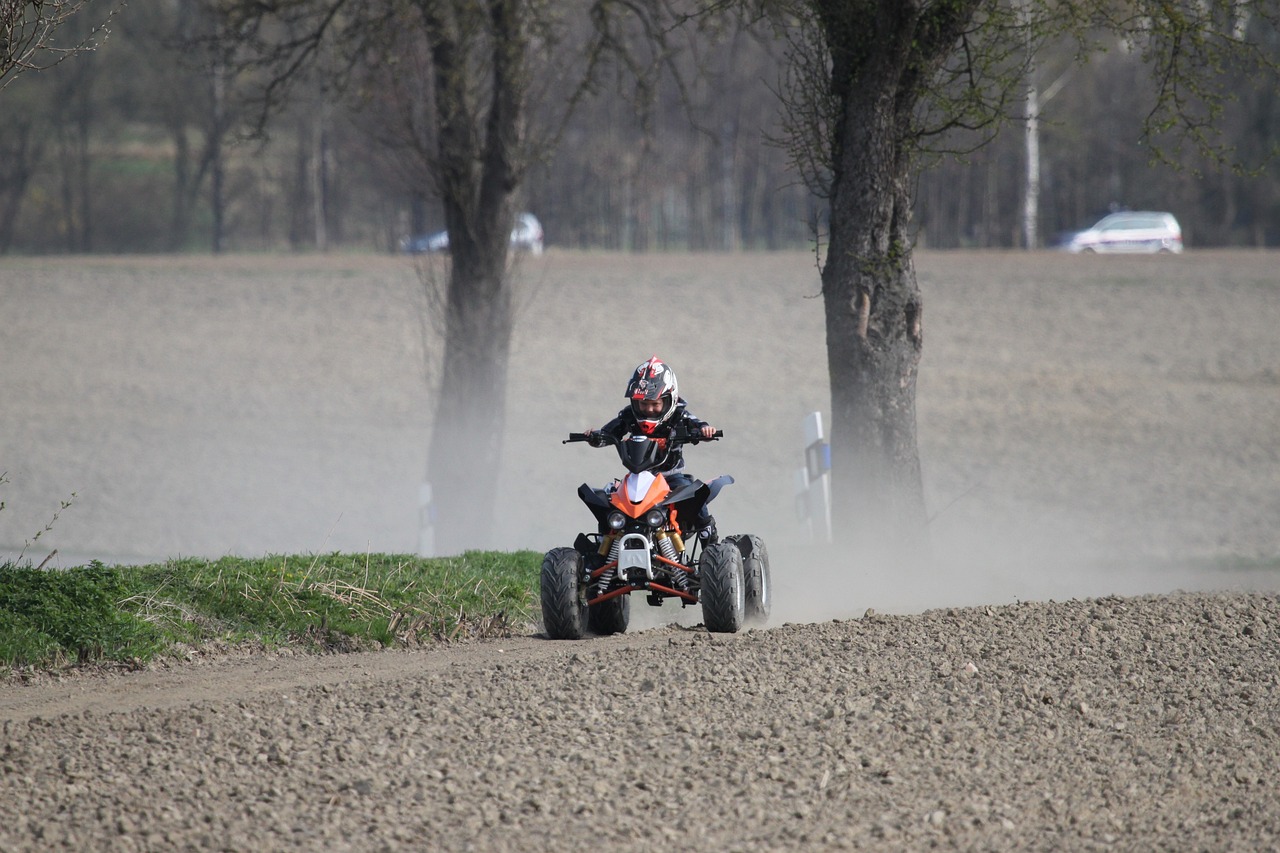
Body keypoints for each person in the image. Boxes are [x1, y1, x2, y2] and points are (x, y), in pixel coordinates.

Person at [584, 356, 719, 544]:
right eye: (644, 403)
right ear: (635, 401)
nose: (649, 409)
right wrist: (595, 437)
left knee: (696, 496)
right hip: (637, 478)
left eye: (655, 404)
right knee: (608, 501)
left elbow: (697, 424)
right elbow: (609, 432)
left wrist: (705, 430)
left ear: (669, 400)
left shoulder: (679, 414)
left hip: (671, 477)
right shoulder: (629, 416)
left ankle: (709, 542)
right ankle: (602, 545)